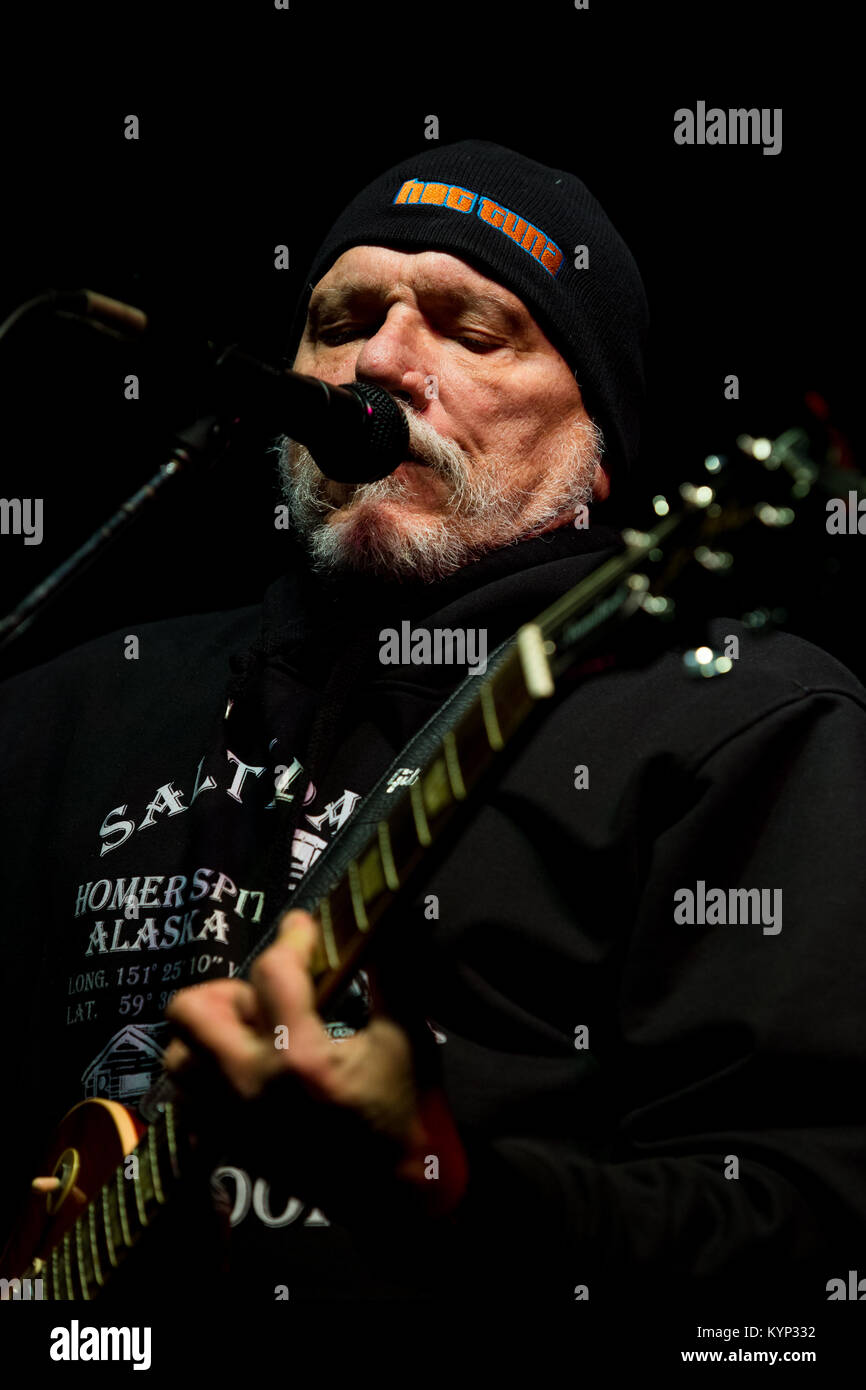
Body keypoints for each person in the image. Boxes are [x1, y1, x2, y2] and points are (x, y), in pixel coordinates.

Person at [1, 140, 865, 1315]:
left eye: (470, 331)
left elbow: (800, 1228)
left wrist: (444, 1187)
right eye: (342, 316)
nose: (379, 360)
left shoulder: (734, 721)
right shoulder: (67, 710)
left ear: (598, 447)